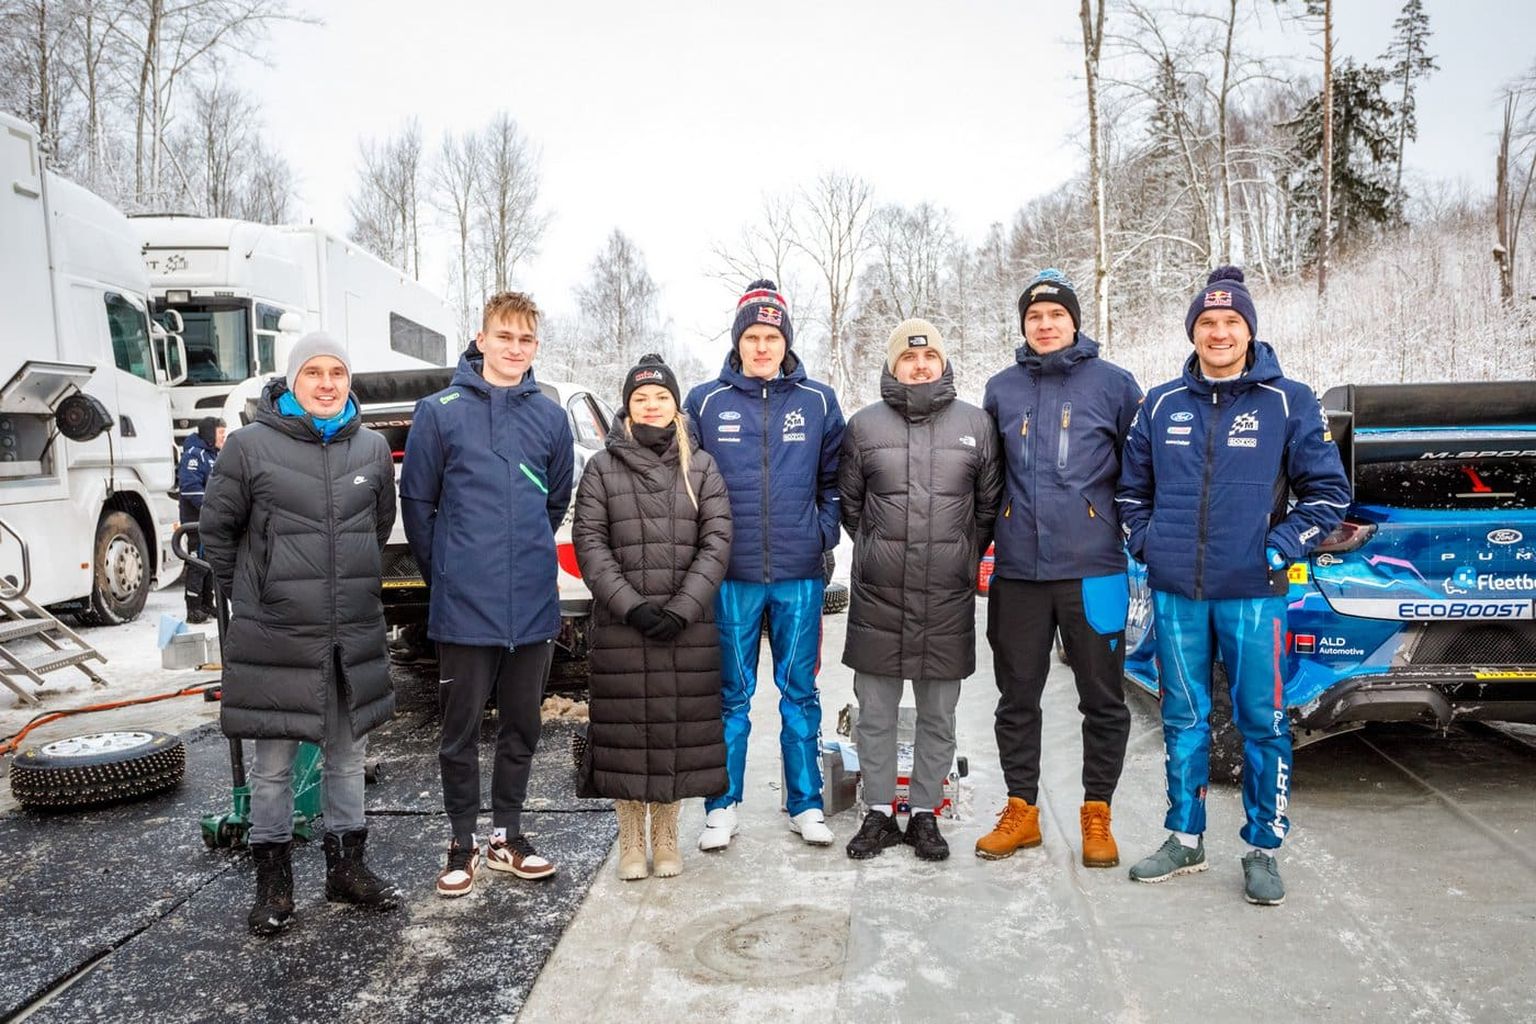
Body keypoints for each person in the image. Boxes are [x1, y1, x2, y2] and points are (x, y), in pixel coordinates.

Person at [1116, 266, 1349, 906]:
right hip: (1177, 595)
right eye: (1207, 323)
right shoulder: (1160, 405)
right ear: (1193, 332)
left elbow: (1328, 495)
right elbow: (1129, 494)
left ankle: (1263, 847)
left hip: (1253, 594)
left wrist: (1278, 545)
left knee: (1261, 720)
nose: (1219, 332)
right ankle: (1183, 838)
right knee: (1184, 717)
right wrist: (1148, 543)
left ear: (1249, 330)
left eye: (1231, 322)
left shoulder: (1288, 401)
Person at [200, 333, 398, 936]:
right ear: (291, 381)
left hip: (351, 632)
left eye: (336, 371)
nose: (326, 382)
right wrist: (258, 597)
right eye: (313, 372)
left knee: (347, 757)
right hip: (277, 637)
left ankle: (347, 870)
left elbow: (379, 523)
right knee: (275, 765)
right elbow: (218, 532)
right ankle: (275, 886)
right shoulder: (249, 447)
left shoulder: (371, 449)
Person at [400, 291, 575, 898]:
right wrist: (446, 569)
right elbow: (418, 503)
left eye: (526, 339)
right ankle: (461, 841)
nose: (514, 348)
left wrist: (521, 555)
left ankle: (507, 835)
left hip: (530, 603)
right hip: (463, 606)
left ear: (535, 348)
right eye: (504, 336)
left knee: (521, 726)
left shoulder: (551, 418)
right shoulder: (440, 411)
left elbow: (553, 503)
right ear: (480, 339)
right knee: (460, 730)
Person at [976, 269, 1143, 868]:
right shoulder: (1000, 390)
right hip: (1018, 573)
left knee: (1102, 699)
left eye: (1055, 315)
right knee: (1015, 698)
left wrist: (1135, 534)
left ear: (1075, 320)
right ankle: (1021, 811)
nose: (1045, 325)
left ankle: (1097, 814)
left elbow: (1141, 474)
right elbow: (986, 482)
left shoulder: (1116, 386)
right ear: (1023, 326)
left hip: (1094, 570)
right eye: (1034, 317)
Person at [683, 279, 845, 850]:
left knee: (800, 692)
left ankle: (805, 804)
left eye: (771, 336)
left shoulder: (819, 401)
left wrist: (821, 532)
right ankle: (721, 806)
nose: (761, 346)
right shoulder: (705, 401)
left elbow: (835, 480)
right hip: (732, 578)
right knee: (732, 694)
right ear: (738, 340)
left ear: (785, 341)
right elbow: (686, 483)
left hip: (799, 575)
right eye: (751, 336)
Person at [838, 319, 1001, 862]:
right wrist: (886, 551)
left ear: (943, 361)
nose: (921, 365)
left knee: (938, 715)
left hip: (944, 597)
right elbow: (852, 509)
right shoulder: (863, 427)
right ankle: (880, 812)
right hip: (879, 599)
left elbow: (986, 510)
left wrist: (954, 553)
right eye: (909, 359)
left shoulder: (976, 425)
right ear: (892, 366)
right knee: (876, 714)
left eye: (929, 355)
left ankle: (926, 813)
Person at [572, 354, 733, 880]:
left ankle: (666, 836)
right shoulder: (601, 468)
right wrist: (631, 605)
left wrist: (683, 607)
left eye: (661, 397)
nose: (651, 405)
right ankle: (630, 838)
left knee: (674, 730)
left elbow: (717, 541)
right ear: (627, 407)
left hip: (687, 626)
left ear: (675, 406)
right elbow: (590, 543)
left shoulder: (701, 467)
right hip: (624, 624)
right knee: (626, 730)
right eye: (641, 398)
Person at [177, 416, 225, 623]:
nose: (224, 438)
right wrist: (211, 508)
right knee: (197, 562)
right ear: (210, 434)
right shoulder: (194, 455)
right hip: (196, 521)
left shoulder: (214, 455)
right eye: (221, 434)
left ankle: (207, 602)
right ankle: (193, 606)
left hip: (212, 522)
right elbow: (189, 488)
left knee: (210, 562)